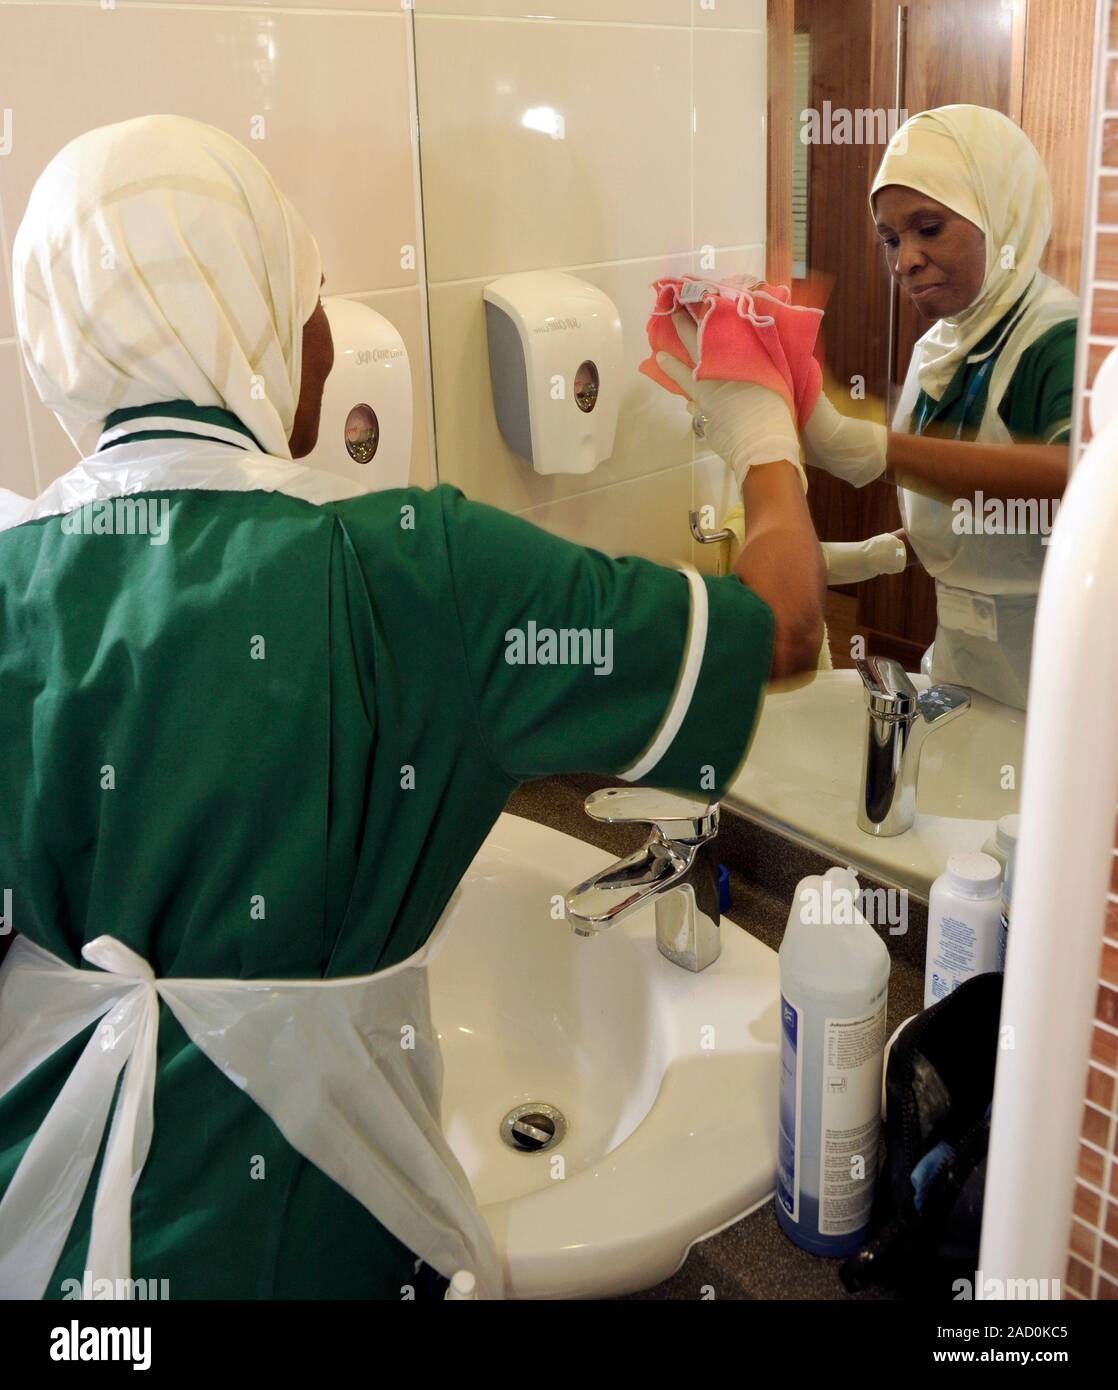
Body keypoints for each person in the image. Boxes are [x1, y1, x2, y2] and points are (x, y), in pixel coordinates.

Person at [0, 115, 823, 1299]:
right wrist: (757, 424)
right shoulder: (423, 569)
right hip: (309, 1246)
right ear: (256, 320)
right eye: (308, 294)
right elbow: (781, 628)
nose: (326, 335)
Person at [798, 104, 1079, 710]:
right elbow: (970, 502)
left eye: (928, 228)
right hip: (962, 666)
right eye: (890, 240)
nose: (905, 261)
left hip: (1057, 685)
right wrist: (886, 551)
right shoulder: (942, 346)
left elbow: (1075, 481)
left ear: (999, 213)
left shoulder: (1058, 340)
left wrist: (878, 450)